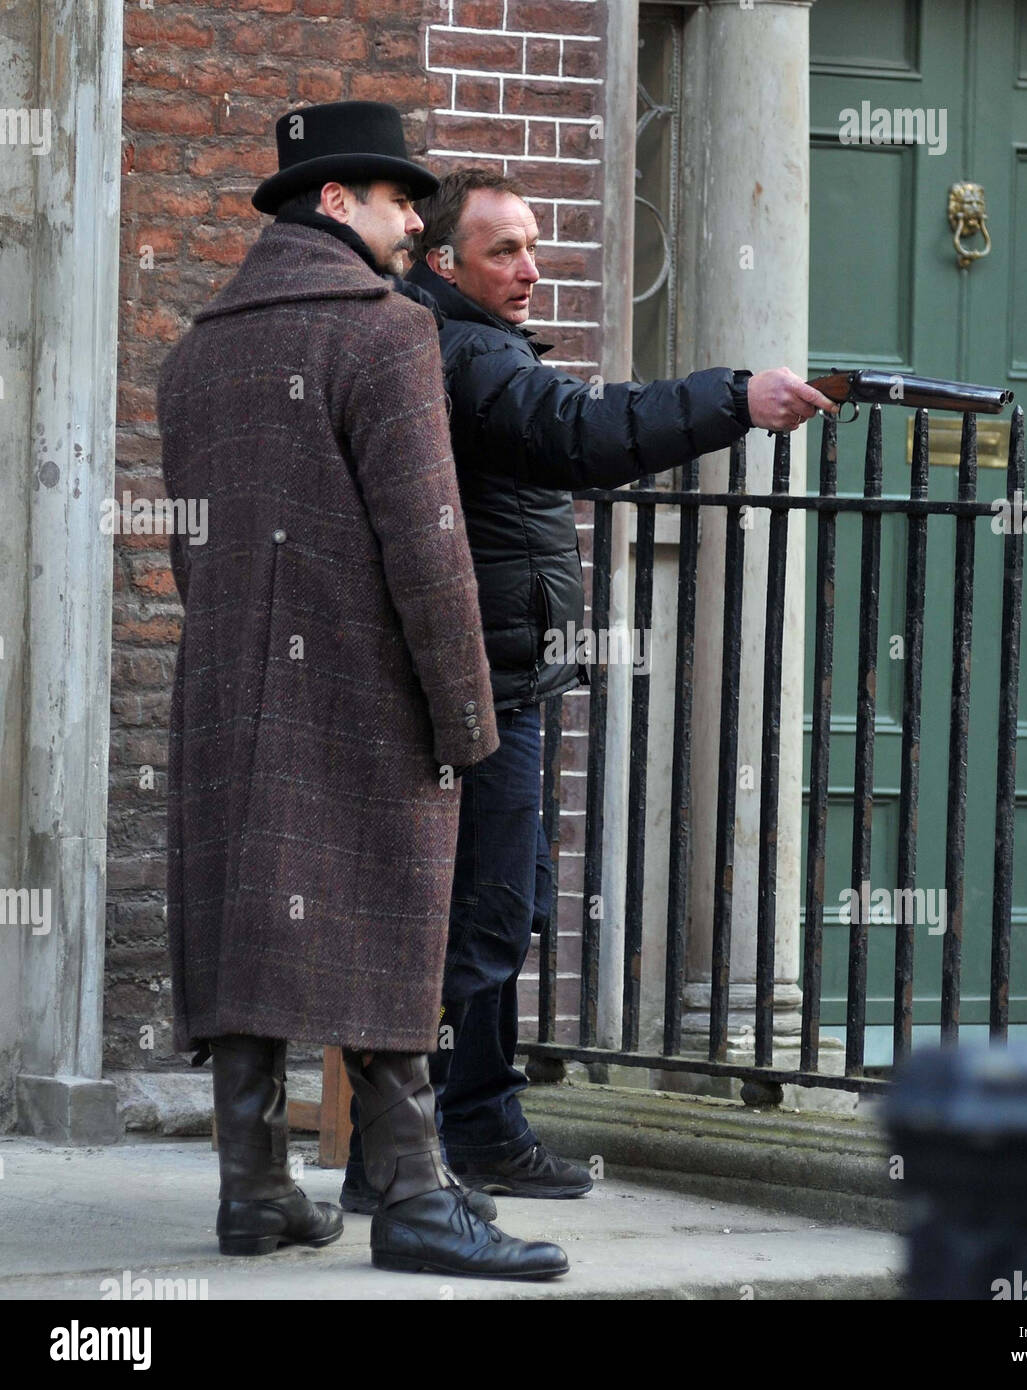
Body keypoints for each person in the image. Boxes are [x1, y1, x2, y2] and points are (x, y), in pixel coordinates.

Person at [340, 167, 835, 1210]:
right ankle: (409, 1154)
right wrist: (732, 397)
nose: (529, 271)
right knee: (477, 922)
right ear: (443, 263)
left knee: (492, 916)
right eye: (504, 252)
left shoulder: (463, 340)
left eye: (531, 247)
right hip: (482, 689)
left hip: (503, 676)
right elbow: (582, 434)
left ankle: (469, 1128)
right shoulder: (467, 351)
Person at [157, 103, 567, 1280]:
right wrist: (465, 716)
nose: (411, 226)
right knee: (382, 923)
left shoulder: (197, 349)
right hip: (362, 689)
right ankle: (417, 1201)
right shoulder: (382, 334)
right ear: (335, 203)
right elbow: (429, 545)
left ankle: (255, 1187)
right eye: (399, 204)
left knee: (250, 917)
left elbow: (193, 550)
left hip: (225, 685)